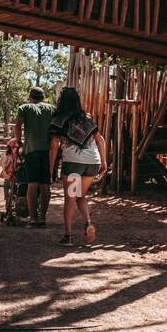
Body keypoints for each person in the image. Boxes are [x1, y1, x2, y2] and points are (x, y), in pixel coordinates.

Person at [48, 87, 106, 247]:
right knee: (81, 196)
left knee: (70, 199)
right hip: (92, 162)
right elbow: (100, 140)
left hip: (73, 163)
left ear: (61, 101)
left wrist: (50, 168)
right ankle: (88, 224)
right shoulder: (86, 119)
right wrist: (104, 162)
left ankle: (68, 236)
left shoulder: (59, 119)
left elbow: (54, 145)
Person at [14, 87, 56, 227]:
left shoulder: (24, 107)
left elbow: (18, 126)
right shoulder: (52, 109)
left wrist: (19, 142)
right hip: (47, 150)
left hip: (31, 150)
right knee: (45, 184)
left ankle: (33, 219)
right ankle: (43, 218)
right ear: (43, 98)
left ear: (30, 97)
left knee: (32, 183)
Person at [0, 139, 21, 225]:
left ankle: (9, 209)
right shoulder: (15, 156)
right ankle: (10, 210)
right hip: (13, 178)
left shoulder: (8, 155)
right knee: (12, 195)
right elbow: (0, 163)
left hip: (10, 178)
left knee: (9, 196)